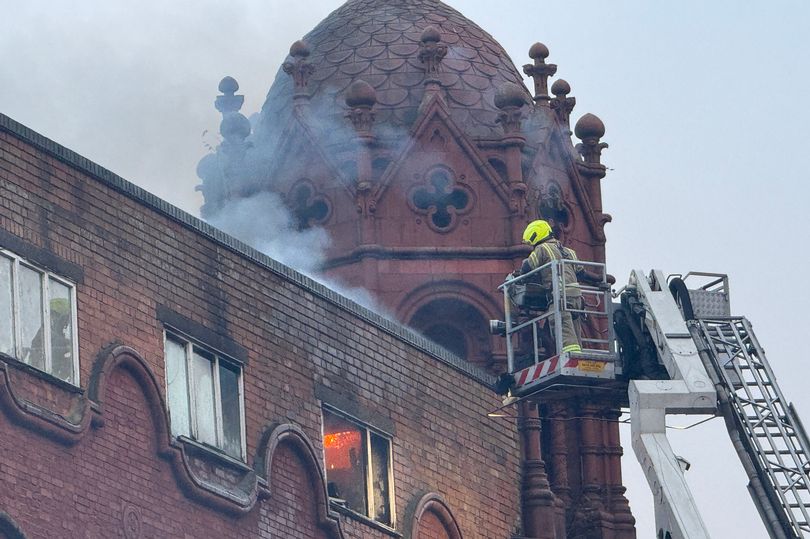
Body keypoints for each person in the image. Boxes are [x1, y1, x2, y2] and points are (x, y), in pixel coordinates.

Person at [514, 220, 584, 354]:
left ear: (536, 235)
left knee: (561, 324)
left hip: (560, 296)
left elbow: (527, 267)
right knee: (574, 329)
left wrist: (521, 276)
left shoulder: (542, 248)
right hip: (577, 297)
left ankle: (570, 355)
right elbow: (581, 273)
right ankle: (579, 355)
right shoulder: (569, 251)